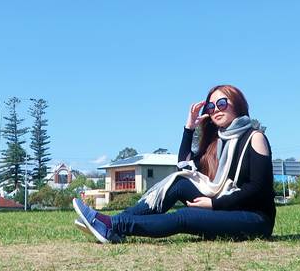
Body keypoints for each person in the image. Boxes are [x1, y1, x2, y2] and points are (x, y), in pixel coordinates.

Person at [72, 84, 275, 243]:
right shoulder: (219, 143)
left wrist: (214, 203)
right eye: (211, 107)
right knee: (179, 183)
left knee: (185, 216)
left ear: (237, 104)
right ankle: (110, 225)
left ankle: (112, 224)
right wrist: (189, 128)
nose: (215, 110)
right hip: (228, 208)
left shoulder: (254, 137)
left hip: (254, 219)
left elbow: (258, 188)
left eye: (222, 103)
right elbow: (183, 165)